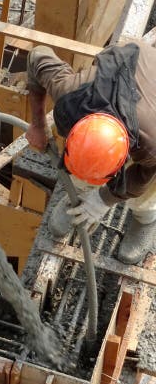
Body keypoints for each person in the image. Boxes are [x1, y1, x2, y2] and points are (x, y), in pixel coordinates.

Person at [25, 40, 156, 264]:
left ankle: (146, 217)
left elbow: (144, 176)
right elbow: (37, 56)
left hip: (149, 92)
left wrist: (103, 200)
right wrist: (37, 124)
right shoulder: (70, 94)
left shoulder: (151, 143)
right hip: (129, 57)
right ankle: (79, 194)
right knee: (85, 164)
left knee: (150, 186)